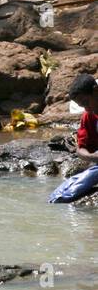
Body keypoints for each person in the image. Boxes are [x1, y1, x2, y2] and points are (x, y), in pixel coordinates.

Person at [48, 74, 98, 203]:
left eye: (86, 102)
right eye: (82, 106)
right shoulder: (89, 117)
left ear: (96, 91)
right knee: (59, 194)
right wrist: (92, 157)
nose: (86, 108)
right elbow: (81, 149)